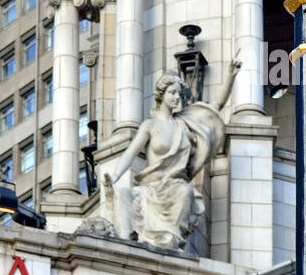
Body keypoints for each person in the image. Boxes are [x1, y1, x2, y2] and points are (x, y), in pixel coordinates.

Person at [103, 58, 241, 248]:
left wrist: (230, 76)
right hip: (151, 188)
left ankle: (170, 239)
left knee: (185, 192)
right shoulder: (149, 126)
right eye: (172, 93)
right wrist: (115, 177)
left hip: (175, 187)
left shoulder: (184, 124)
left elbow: (215, 107)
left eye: (179, 93)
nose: (177, 97)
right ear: (162, 95)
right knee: (122, 196)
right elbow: (130, 153)